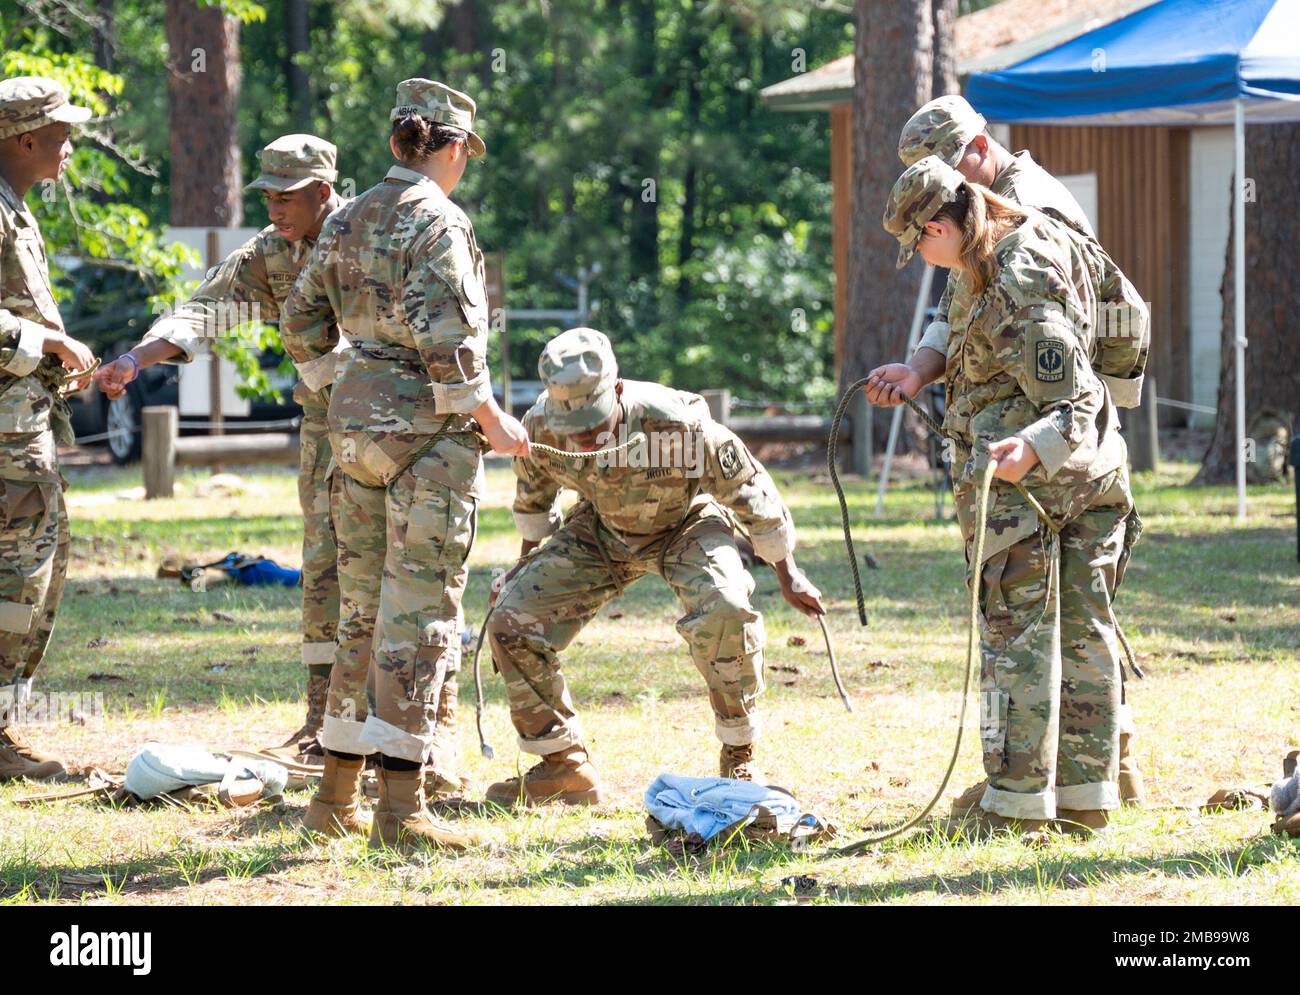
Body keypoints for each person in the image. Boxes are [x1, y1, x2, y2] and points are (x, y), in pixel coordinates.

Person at [280, 79, 528, 850]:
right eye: (463, 155)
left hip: (352, 432)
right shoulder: (440, 221)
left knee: (360, 611)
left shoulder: (346, 215)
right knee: (420, 615)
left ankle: (332, 798)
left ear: (395, 143)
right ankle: (401, 809)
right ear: (451, 148)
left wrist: (341, 387)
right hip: (428, 437)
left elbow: (299, 319)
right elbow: (452, 345)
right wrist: (493, 420)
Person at [887, 93, 1146, 807]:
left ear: (970, 156)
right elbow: (959, 308)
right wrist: (919, 367)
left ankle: (1036, 791)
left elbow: (1069, 362)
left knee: (1026, 627)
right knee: (1063, 622)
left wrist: (1040, 443)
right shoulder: (979, 218)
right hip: (1050, 450)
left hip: (1044, 460)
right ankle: (1081, 786)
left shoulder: (1030, 222)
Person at [483, 326, 825, 807]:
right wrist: (522, 573)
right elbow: (535, 502)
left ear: (617, 392)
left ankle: (738, 754)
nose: (581, 439)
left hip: (685, 525)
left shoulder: (675, 424)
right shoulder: (540, 427)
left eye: (593, 425)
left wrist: (788, 574)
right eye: (572, 426)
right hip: (600, 530)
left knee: (725, 607)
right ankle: (563, 766)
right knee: (509, 622)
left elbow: (749, 490)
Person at [94, 134, 346, 761]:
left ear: (323, 191)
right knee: (324, 568)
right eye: (267, 196)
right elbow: (205, 312)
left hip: (398, 432)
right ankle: (322, 720)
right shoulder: (272, 252)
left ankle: (404, 729)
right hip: (324, 430)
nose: (274, 209)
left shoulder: (374, 235)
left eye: (288, 197)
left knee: (395, 571)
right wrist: (135, 356)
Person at [0, 77, 94, 782]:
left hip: (25, 426)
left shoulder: (16, 211)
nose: (70, 145)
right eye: (61, 133)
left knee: (35, 575)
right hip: (7, 437)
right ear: (25, 138)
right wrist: (45, 346)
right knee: (15, 580)